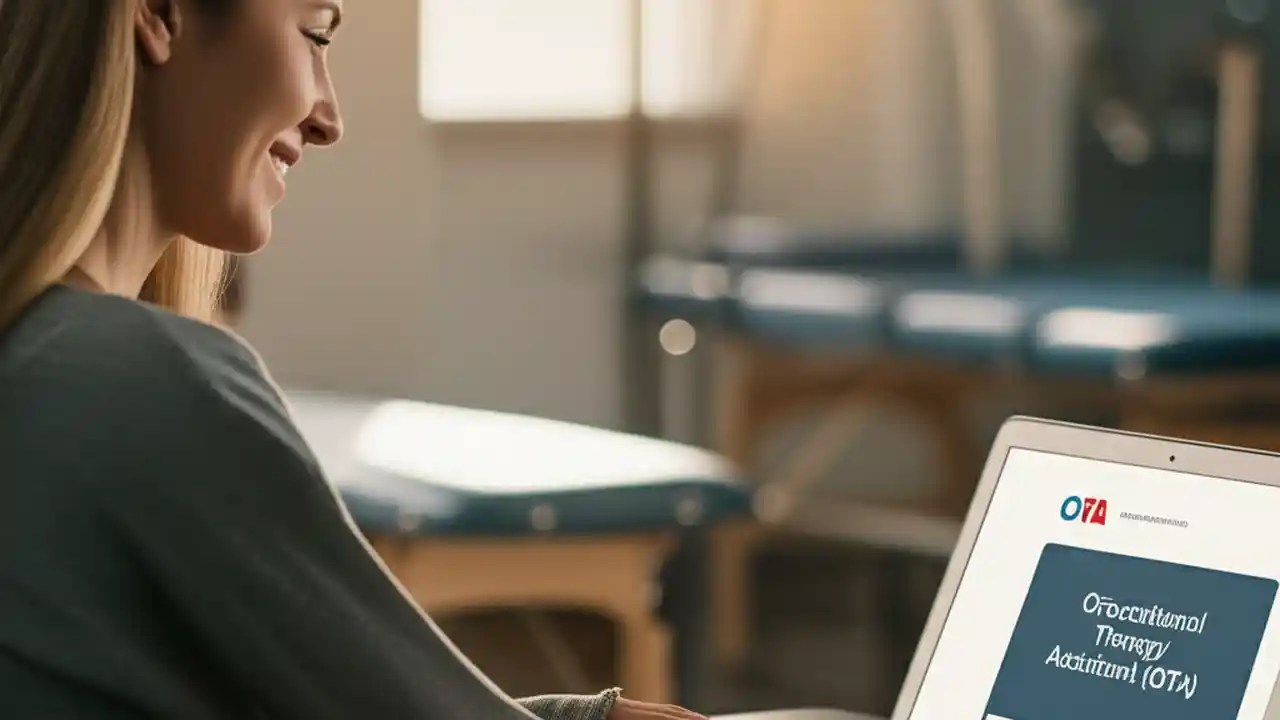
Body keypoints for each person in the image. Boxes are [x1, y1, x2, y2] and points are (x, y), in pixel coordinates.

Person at [0, 2, 710, 719]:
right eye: (314, 34)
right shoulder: (144, 389)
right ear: (157, 14)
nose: (328, 119)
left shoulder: (50, 361)